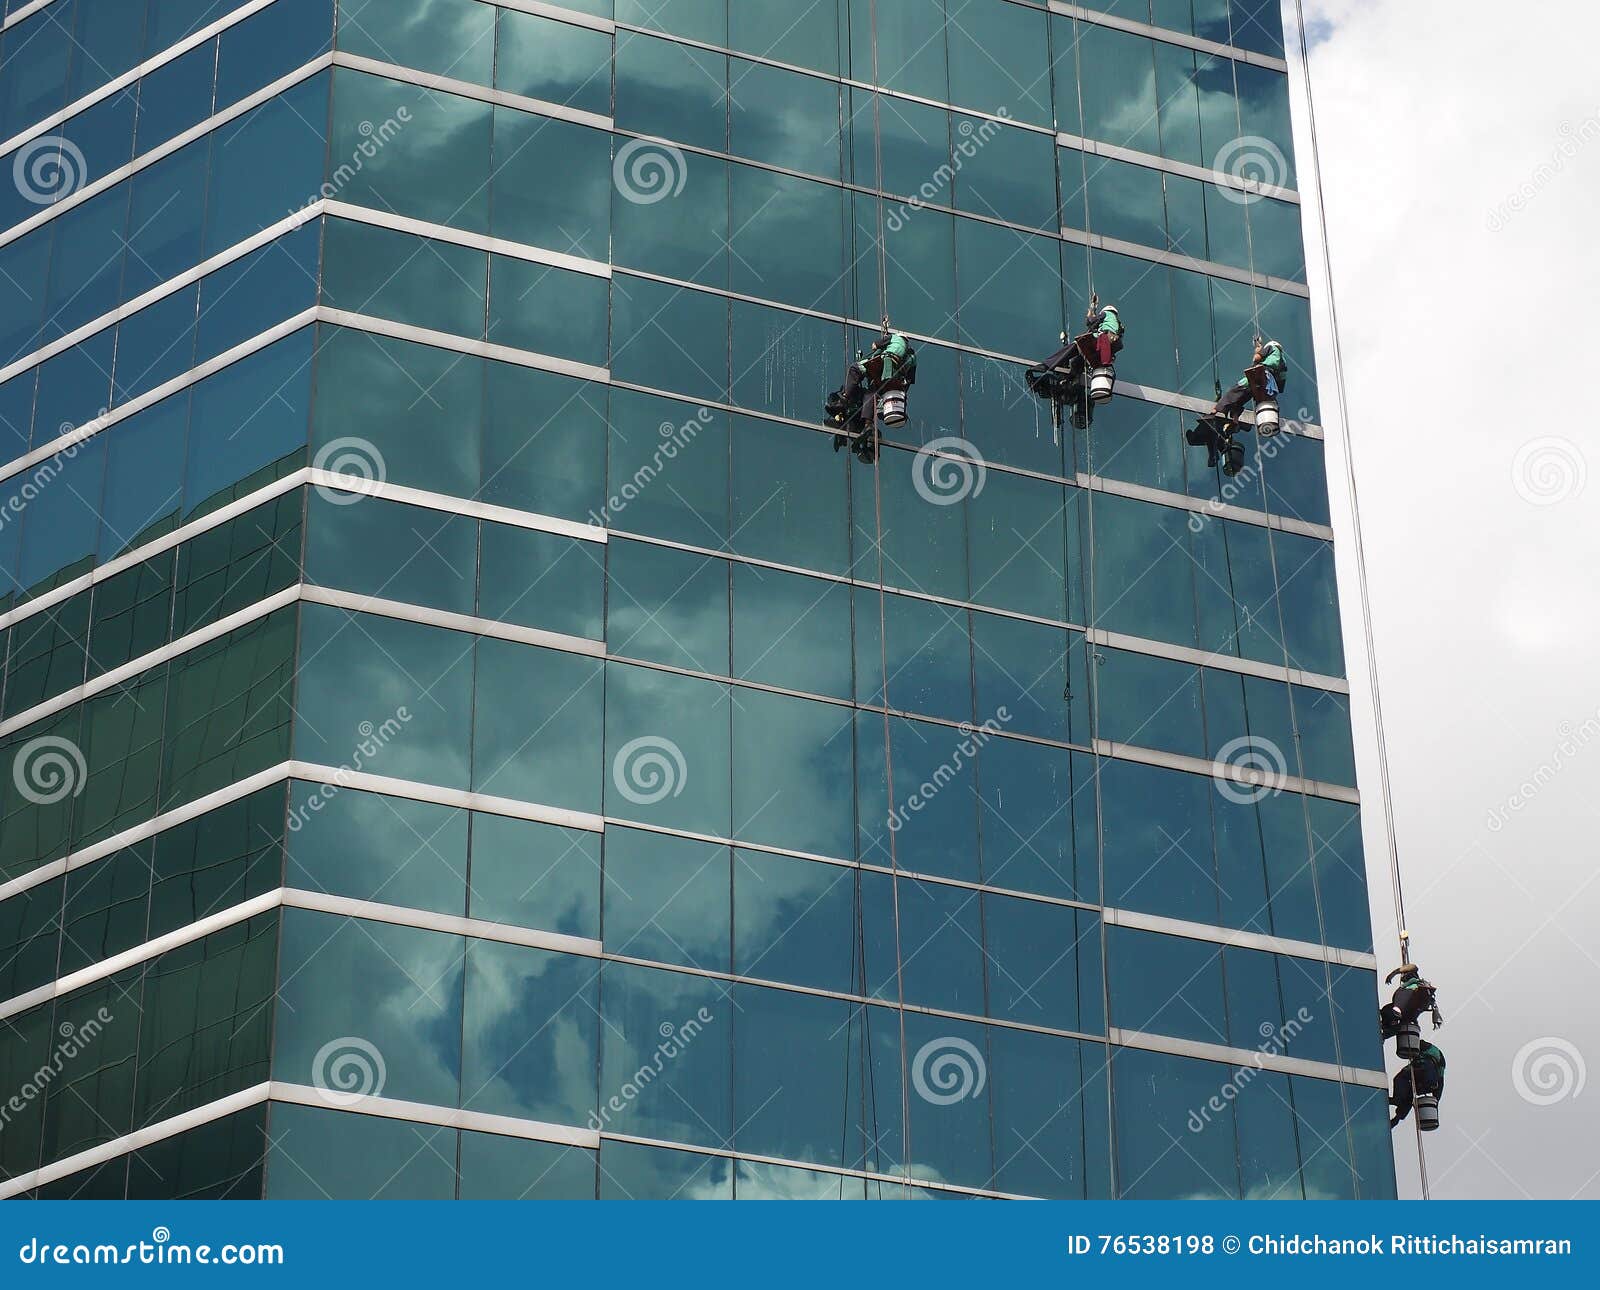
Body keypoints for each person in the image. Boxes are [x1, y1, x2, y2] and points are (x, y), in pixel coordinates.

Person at [1186, 338, 1289, 477]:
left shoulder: (1273, 350)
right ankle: (1234, 416)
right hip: (1264, 385)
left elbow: (1260, 358)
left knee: (1234, 392)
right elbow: (1280, 382)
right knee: (1241, 399)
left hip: (1259, 378)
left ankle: (1217, 409)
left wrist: (1258, 354)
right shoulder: (1282, 365)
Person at [1025, 297, 1124, 430]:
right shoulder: (1118, 327)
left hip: (1099, 341)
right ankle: (1069, 377)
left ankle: (1047, 366)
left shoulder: (1107, 315)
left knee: (1074, 348)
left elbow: (1091, 322)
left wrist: (1092, 309)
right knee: (1078, 362)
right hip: (1102, 349)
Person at [827, 330, 915, 458]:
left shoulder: (893, 338)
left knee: (855, 369)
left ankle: (844, 399)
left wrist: (880, 344)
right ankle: (868, 425)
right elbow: (911, 379)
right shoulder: (912, 355)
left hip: (884, 363)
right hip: (894, 379)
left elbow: (874, 345)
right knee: (870, 394)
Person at [1390, 1041, 1446, 1128]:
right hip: (1428, 1084)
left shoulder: (1424, 1049)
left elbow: (1440, 1080)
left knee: (1400, 1078)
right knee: (1410, 1092)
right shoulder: (1439, 1058)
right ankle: (1397, 1118)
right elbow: (1441, 1081)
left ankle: (1397, 1100)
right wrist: (1435, 1102)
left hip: (1424, 1071)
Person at [1379, 963, 1442, 1040]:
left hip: (1404, 1009)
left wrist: (1393, 973)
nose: (1402, 977)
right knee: (1397, 1024)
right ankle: (1383, 1034)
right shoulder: (1421, 990)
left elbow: (1412, 967)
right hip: (1408, 1013)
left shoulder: (1413, 984)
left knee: (1387, 1012)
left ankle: (1383, 1033)